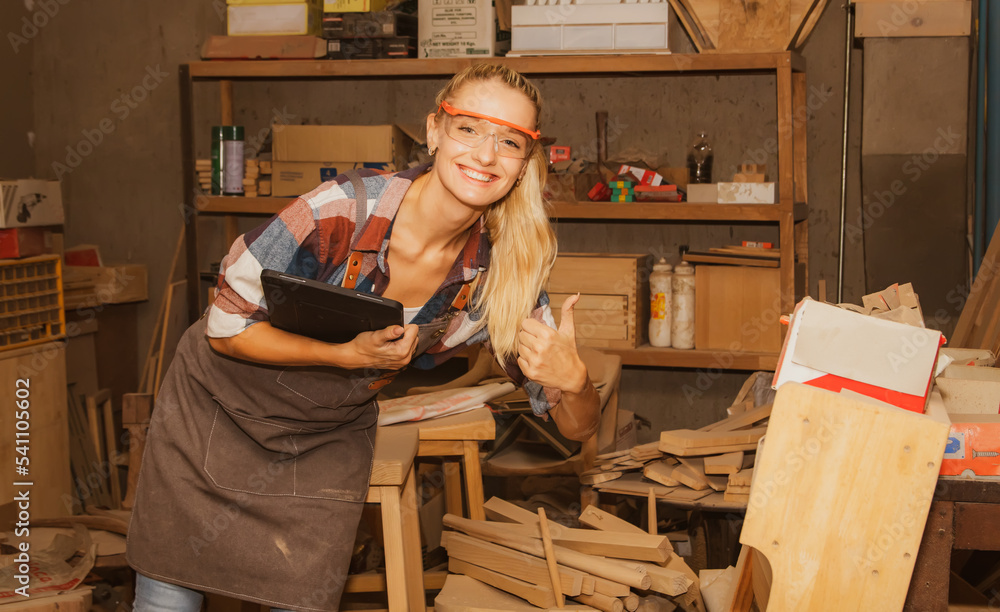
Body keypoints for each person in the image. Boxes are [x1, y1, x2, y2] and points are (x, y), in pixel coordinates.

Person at [125, 63, 601, 612]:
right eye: (469, 127)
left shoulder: (504, 276)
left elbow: (576, 425)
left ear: (524, 164)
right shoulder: (343, 211)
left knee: (300, 597)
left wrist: (577, 379)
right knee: (170, 596)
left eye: (510, 141)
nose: (486, 154)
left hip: (323, 437)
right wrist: (344, 354)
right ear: (434, 131)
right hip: (214, 412)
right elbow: (226, 329)